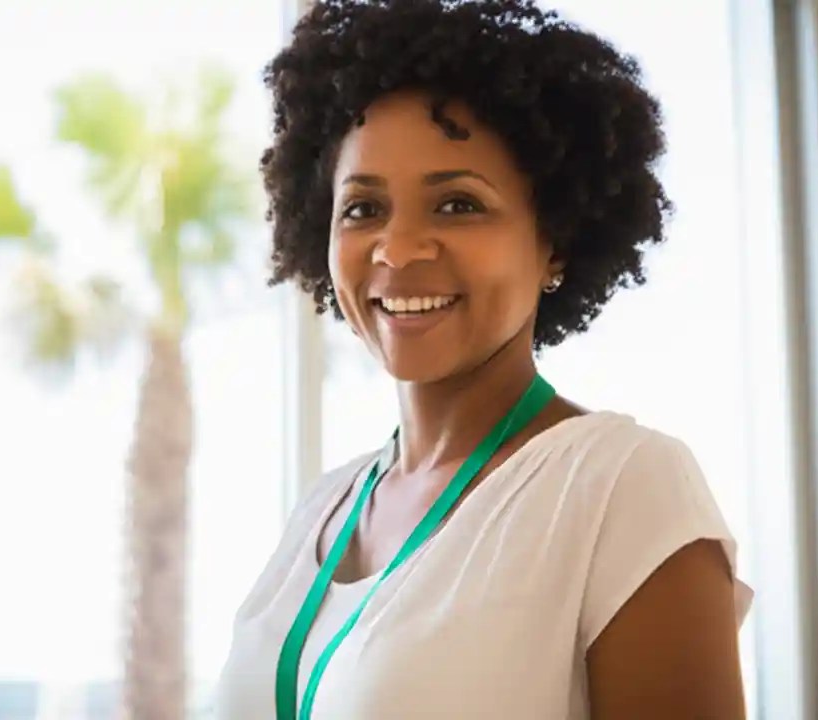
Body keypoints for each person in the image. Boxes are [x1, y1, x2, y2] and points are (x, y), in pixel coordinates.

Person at [212, 0, 755, 717]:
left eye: (458, 205)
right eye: (363, 208)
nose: (398, 249)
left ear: (555, 240)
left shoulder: (620, 485)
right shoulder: (323, 508)